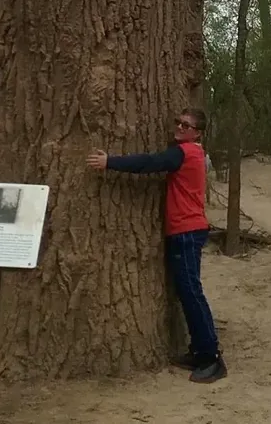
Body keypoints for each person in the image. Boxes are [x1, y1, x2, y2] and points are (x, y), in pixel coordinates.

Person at [86, 108, 226, 383]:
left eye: (186, 125)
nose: (179, 127)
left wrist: (109, 161)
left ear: (197, 132)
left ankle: (211, 357)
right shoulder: (193, 153)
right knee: (186, 294)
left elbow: (149, 162)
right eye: (178, 122)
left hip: (187, 232)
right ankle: (199, 351)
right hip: (186, 231)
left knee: (192, 294)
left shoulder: (184, 152)